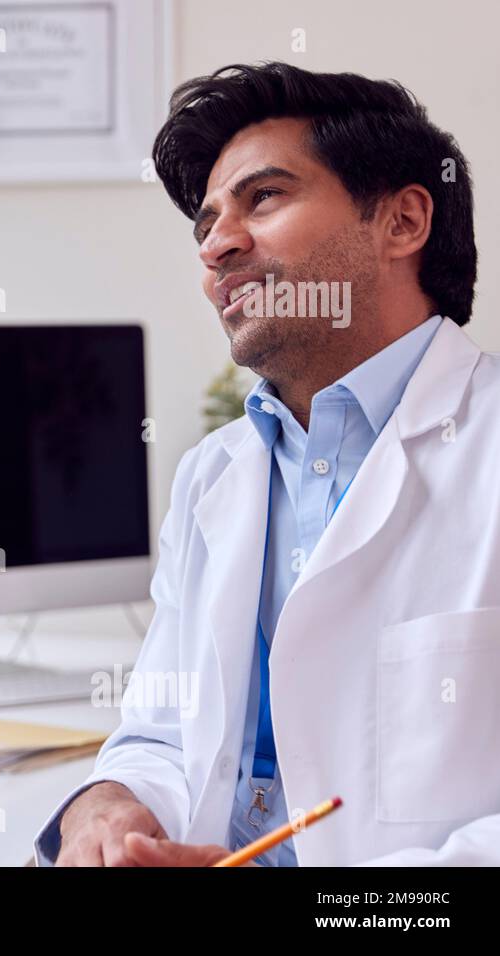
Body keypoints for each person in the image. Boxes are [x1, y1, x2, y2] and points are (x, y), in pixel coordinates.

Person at [38, 62, 499, 866]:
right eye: (206, 223)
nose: (217, 245)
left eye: (264, 197)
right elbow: (158, 729)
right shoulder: (214, 473)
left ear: (402, 221)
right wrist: (108, 808)